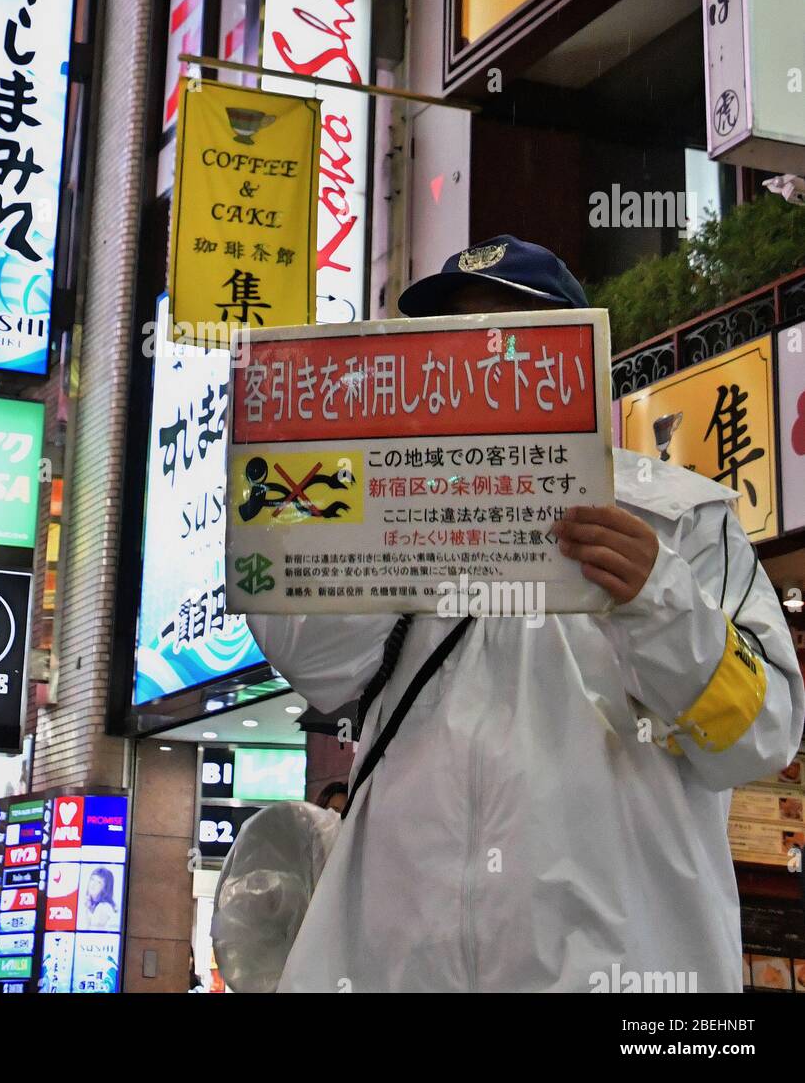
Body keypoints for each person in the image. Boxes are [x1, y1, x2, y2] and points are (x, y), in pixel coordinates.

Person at [247, 235, 805, 993]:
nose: (479, 366)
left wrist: (658, 600)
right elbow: (315, 666)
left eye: (512, 342)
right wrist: (319, 515)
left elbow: (761, 738)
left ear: (576, 359)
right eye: (452, 345)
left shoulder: (680, 520)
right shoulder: (388, 513)